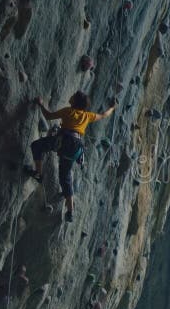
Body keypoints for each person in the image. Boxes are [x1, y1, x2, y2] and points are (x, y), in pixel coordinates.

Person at [28, 91, 116, 222]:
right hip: (76, 148)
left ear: (74, 101)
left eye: (73, 96)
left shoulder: (68, 111)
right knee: (65, 177)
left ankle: (38, 174)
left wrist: (40, 104)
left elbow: (48, 116)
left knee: (36, 146)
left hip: (65, 141)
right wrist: (113, 107)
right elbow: (104, 115)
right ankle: (70, 212)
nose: (71, 96)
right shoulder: (87, 115)